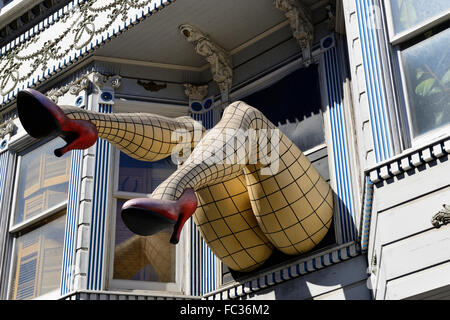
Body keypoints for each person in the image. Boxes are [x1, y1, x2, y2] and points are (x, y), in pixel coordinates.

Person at [17, 88, 333, 272]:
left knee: (217, 125)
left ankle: (83, 122)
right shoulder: (143, 248)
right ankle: (173, 189)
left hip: (293, 229)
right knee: (202, 129)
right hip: (263, 238)